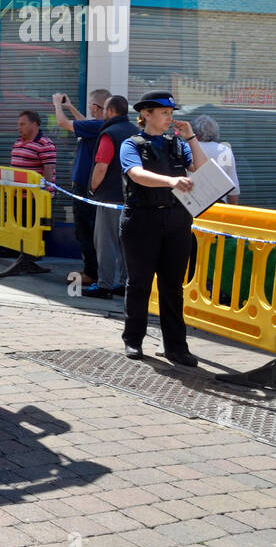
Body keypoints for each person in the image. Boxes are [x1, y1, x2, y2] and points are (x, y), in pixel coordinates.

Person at [119, 90, 205, 366]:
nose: (170, 118)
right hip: (142, 220)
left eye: (171, 113)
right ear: (146, 114)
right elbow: (136, 174)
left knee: (172, 286)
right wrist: (170, 182)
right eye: (165, 113)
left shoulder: (178, 143)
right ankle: (133, 340)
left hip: (177, 221)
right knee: (139, 283)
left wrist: (191, 135)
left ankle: (176, 347)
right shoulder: (132, 144)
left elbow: (201, 167)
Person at [53, 89, 112, 284]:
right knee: (89, 229)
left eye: (90, 106)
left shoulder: (97, 125)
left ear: (95, 108)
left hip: (84, 186)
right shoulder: (98, 125)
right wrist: (70, 107)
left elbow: (62, 123)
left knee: (84, 229)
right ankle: (92, 270)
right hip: (88, 185)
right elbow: (84, 122)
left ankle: (90, 273)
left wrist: (57, 105)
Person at [83, 95, 139, 298]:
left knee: (105, 242)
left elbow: (101, 166)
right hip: (132, 198)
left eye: (105, 108)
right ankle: (125, 284)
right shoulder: (137, 133)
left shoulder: (109, 133)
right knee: (127, 244)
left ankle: (104, 284)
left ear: (112, 111)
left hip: (110, 198)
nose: (102, 112)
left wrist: (92, 190)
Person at [0, 109, 56, 276]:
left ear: (34, 124)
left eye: (22, 124)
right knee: (19, 226)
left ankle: (29, 259)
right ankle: (21, 254)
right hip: (17, 196)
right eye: (18, 124)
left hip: (34, 199)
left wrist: (42, 195)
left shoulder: (45, 144)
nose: (19, 127)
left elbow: (48, 172)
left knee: (33, 228)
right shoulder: (18, 141)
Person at [191, 115, 240, 204]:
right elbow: (234, 188)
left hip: (190, 204)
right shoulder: (224, 151)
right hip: (217, 206)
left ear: (193, 132)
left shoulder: (186, 148)